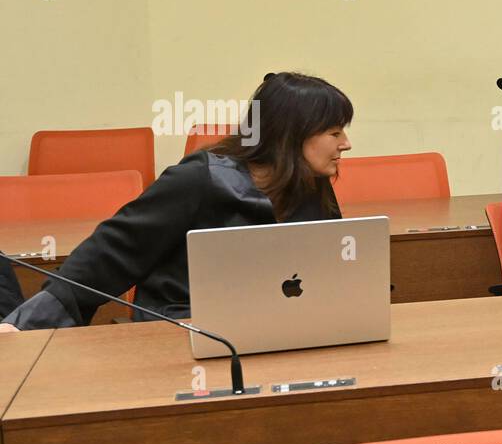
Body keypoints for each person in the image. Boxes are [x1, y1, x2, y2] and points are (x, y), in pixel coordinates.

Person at [0, 72, 352, 332]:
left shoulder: (312, 186)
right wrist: (24, 328)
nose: (346, 143)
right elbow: (112, 253)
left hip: (279, 327)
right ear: (290, 135)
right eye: (334, 133)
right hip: (181, 329)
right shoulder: (200, 179)